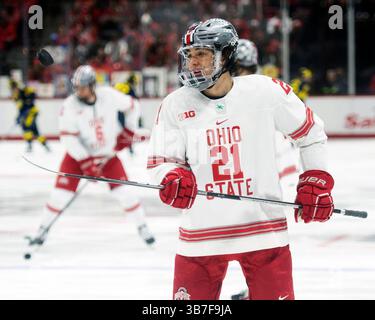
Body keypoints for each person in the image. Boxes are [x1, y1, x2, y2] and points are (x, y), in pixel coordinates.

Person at [147, 19, 335, 300]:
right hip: (200, 238)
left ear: (225, 55)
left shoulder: (266, 92)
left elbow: (311, 134)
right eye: (189, 55)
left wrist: (316, 180)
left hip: (264, 235)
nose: (193, 63)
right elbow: (160, 162)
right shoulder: (175, 104)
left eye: (202, 54)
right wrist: (171, 177)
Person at [27, 65, 155, 247]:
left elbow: (133, 107)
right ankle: (42, 231)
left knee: (125, 193)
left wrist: (128, 130)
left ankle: (142, 227)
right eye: (76, 87)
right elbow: (68, 138)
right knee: (59, 196)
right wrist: (86, 163)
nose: (79, 91)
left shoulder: (108, 96)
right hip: (77, 158)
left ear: (93, 85)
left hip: (107, 155)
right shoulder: (69, 106)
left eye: (83, 86)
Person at [230, 39, 300, 300]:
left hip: (259, 192)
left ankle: (256, 291)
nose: (240, 76)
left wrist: (293, 188)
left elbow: (282, 147)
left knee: (258, 245)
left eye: (243, 69)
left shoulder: (264, 97)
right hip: (231, 186)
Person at [9, 79, 50, 152]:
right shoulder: (17, 95)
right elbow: (21, 108)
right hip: (29, 114)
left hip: (31, 113)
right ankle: (44, 145)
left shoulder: (24, 91)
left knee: (26, 128)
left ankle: (30, 145)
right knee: (34, 131)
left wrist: (21, 116)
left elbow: (29, 102)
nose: (13, 90)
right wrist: (19, 117)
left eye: (14, 88)